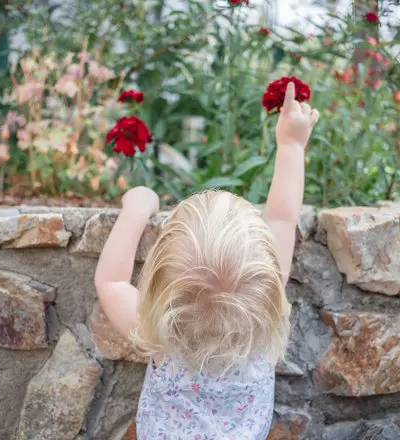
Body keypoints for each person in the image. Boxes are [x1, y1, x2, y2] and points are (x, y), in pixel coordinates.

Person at [94, 82, 320, 439]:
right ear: (268, 280)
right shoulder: (262, 331)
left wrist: (137, 209)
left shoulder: (160, 338)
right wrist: (291, 144)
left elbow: (112, 282)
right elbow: (281, 217)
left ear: (158, 284)